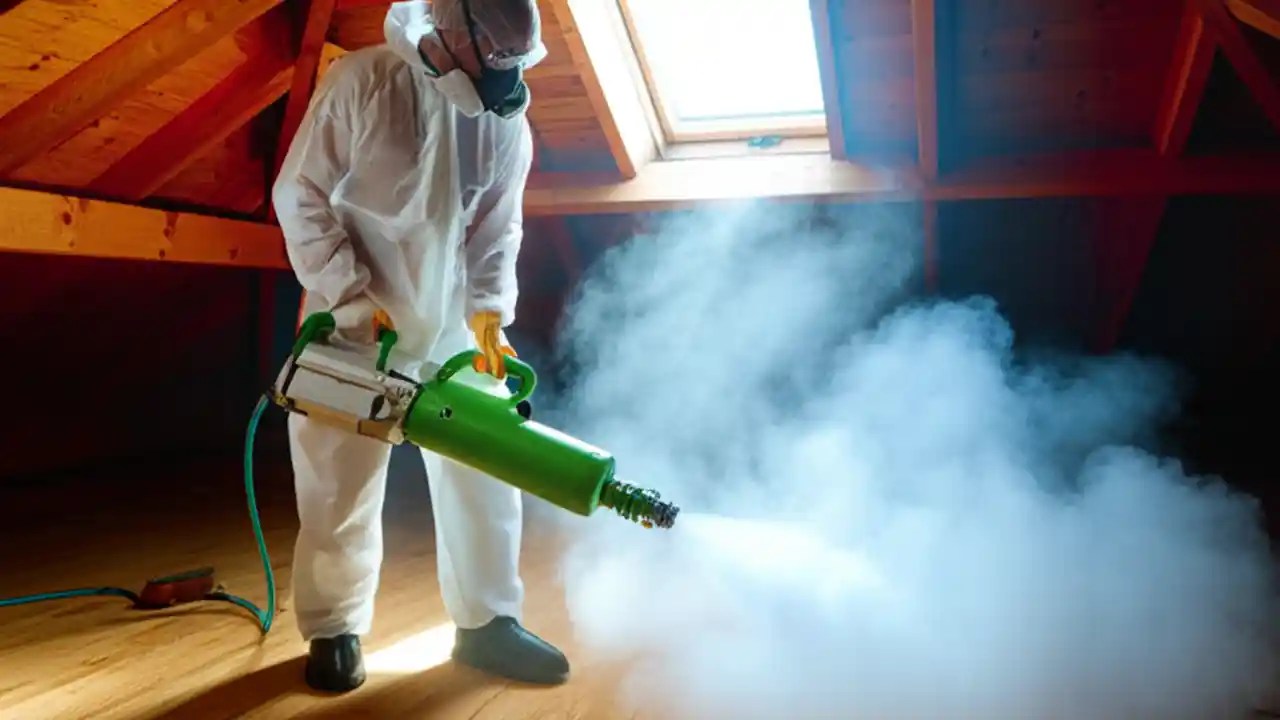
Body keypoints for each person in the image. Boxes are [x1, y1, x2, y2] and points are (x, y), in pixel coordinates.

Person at [271, 0, 568, 693]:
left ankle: (489, 624)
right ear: (449, 29)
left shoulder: (503, 121)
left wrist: (491, 315)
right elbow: (301, 194)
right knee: (338, 481)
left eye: (511, 62)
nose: (501, 76)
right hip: (354, 322)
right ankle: (335, 628)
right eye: (490, 57)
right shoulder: (364, 84)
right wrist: (347, 294)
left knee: (488, 464)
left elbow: (499, 229)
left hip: (453, 330)